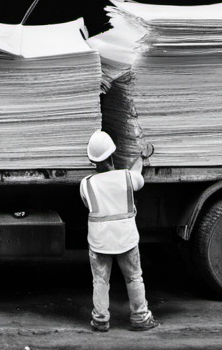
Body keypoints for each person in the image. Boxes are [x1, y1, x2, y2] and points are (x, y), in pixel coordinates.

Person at [79, 130, 157, 332]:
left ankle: (100, 319)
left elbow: (88, 203)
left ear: (91, 160)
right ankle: (140, 317)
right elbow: (137, 177)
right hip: (125, 239)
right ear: (112, 155)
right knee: (133, 278)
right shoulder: (127, 177)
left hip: (99, 241)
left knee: (100, 280)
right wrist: (141, 157)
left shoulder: (86, 184)